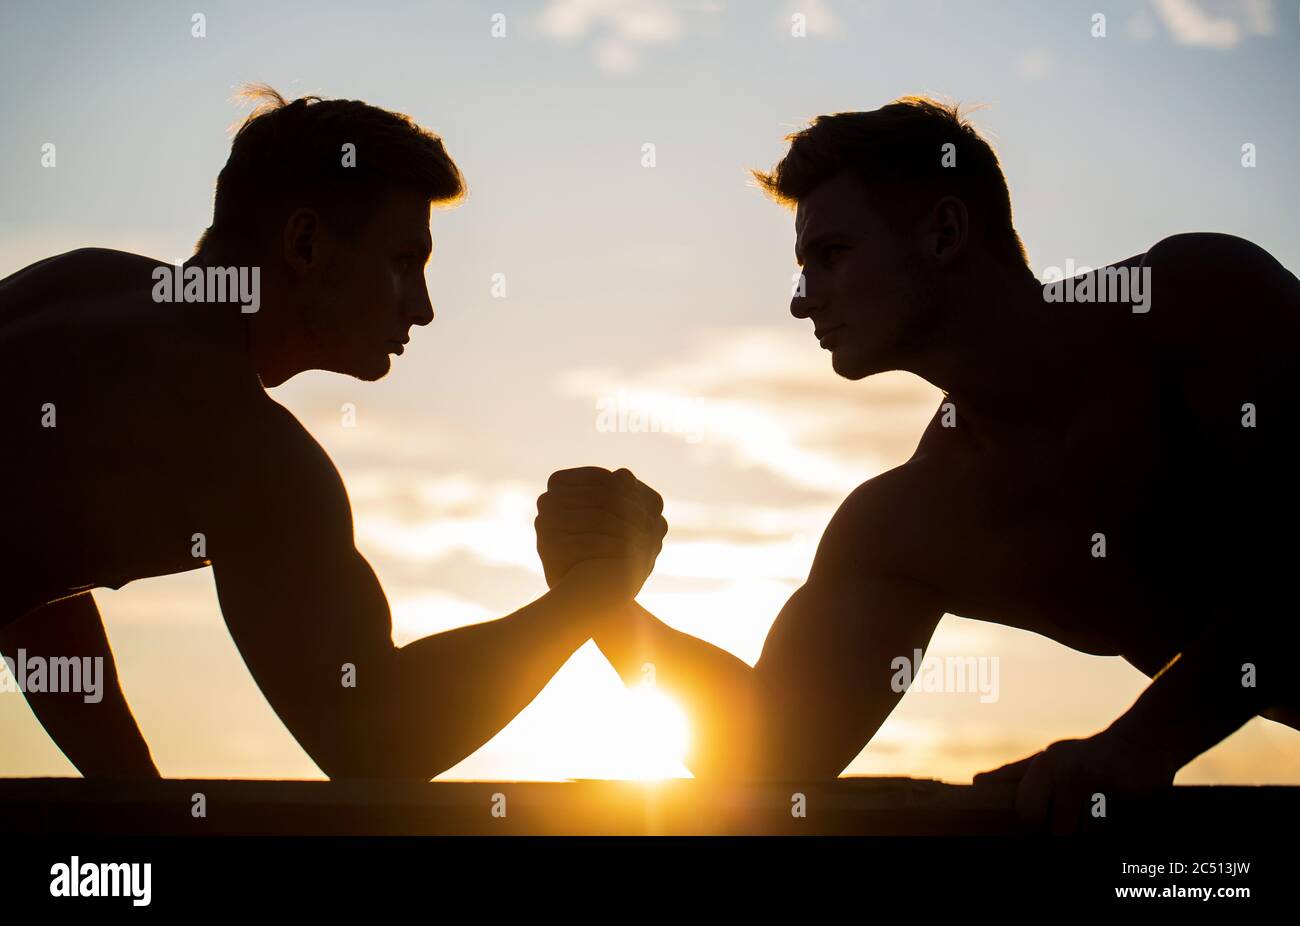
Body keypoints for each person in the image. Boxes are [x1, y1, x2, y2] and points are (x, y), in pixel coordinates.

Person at [535, 97, 1300, 833]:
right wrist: (597, 601)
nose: (802, 302)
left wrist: (1138, 745)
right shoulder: (910, 523)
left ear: (944, 232)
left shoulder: (1194, 300)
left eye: (830, 255)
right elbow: (769, 750)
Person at [0, 86, 667, 780]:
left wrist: (132, 797)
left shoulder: (79, 282)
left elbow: (33, 572)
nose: (424, 308)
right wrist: (588, 597)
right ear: (305, 243)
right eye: (403, 262)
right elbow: (372, 738)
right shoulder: (244, 448)